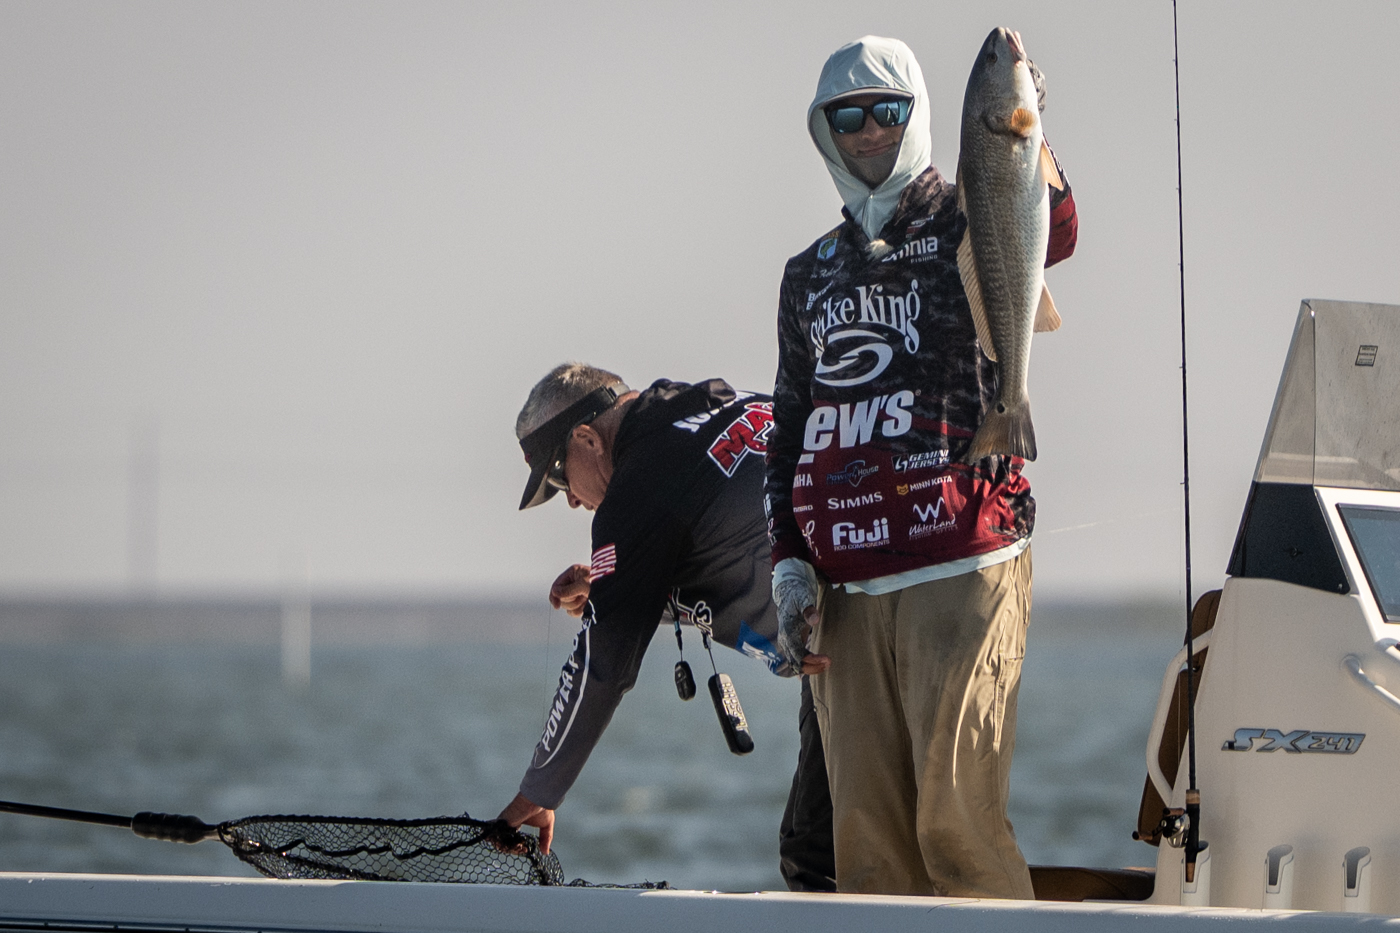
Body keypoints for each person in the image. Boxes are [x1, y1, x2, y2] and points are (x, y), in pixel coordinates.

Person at [764, 36, 1078, 897]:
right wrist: (789, 564)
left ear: (920, 116)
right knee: (867, 845)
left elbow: (1056, 228)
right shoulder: (807, 275)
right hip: (848, 588)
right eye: (848, 117)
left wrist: (1032, 141)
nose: (869, 132)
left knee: (956, 824)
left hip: (963, 557)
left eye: (887, 111)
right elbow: (790, 423)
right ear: (825, 133)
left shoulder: (968, 214)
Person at [497, 363, 836, 892]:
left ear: (587, 438)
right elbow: (718, 523)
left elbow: (602, 664)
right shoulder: (715, 402)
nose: (569, 498)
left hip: (852, 645)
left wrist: (538, 791)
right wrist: (616, 582)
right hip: (904, 585)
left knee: (816, 856)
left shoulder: (638, 490)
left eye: (560, 475)